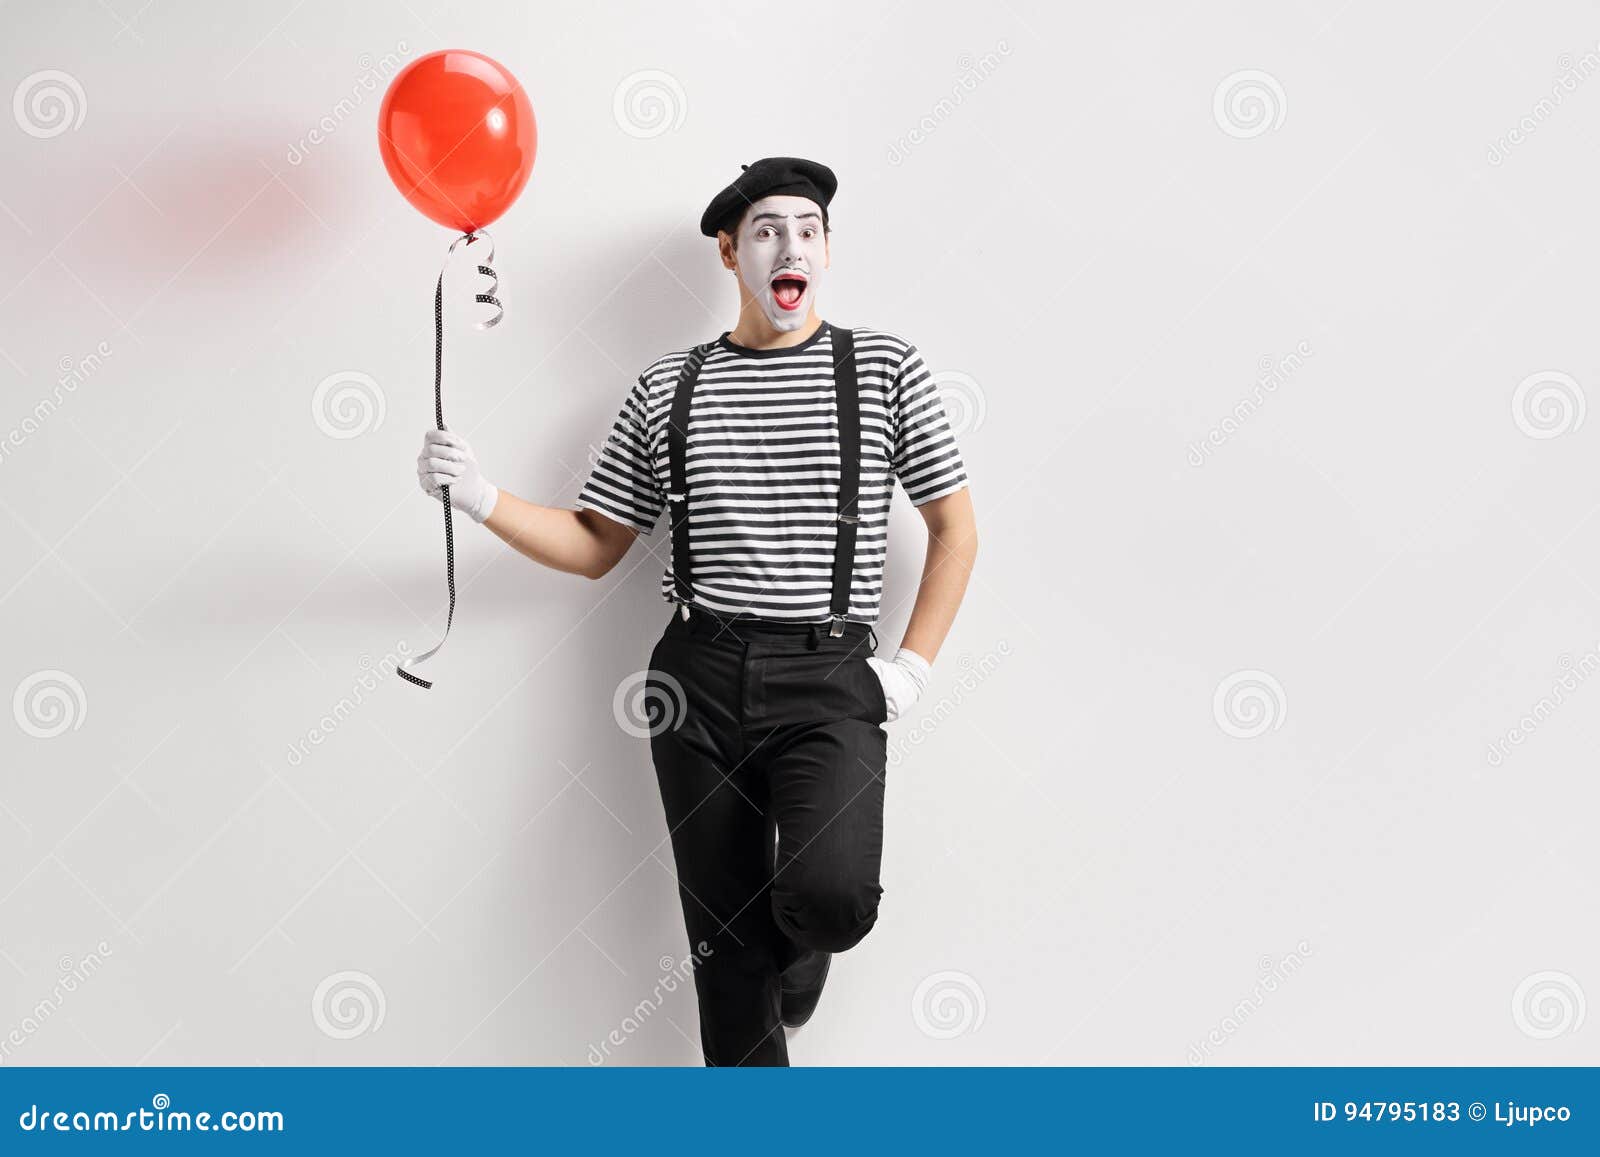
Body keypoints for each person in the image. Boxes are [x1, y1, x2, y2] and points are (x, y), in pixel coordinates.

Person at [415, 157, 979, 1065]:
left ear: (826, 249)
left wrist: (909, 667)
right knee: (724, 951)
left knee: (828, 899)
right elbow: (597, 542)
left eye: (806, 229)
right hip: (696, 679)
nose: (788, 246)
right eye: (765, 231)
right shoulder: (669, 386)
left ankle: (798, 965)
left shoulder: (881, 366)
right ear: (730, 254)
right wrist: (480, 496)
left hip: (832, 676)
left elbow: (954, 527)